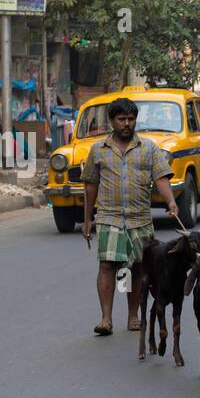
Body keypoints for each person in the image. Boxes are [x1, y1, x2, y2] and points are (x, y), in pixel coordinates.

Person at [80, 97, 178, 336]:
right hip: (109, 217)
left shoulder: (149, 148)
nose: (126, 123)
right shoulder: (98, 150)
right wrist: (87, 219)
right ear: (112, 121)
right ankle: (106, 318)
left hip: (139, 219)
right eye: (121, 119)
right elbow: (91, 185)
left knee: (135, 268)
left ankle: (133, 316)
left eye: (130, 119)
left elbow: (161, 178)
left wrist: (171, 201)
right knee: (107, 265)